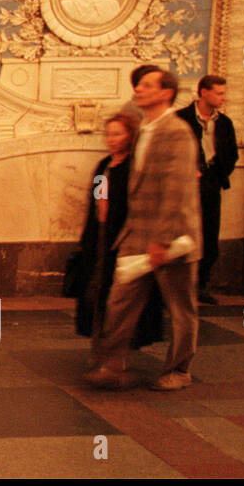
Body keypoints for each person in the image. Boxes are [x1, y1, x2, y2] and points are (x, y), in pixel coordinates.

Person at [86, 69, 202, 391]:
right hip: (136, 236)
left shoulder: (176, 131)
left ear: (166, 93)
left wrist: (161, 240)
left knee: (182, 310)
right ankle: (111, 365)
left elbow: (176, 187)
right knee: (119, 301)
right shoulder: (145, 131)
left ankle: (179, 370)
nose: (139, 89)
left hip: (173, 238)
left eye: (147, 85)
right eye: (138, 85)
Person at [63, 111, 163, 367]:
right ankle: (99, 348)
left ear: (131, 135)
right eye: (109, 134)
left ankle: (116, 355)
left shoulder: (134, 168)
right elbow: (95, 203)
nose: (112, 139)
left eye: (118, 134)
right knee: (95, 296)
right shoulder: (104, 166)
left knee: (119, 300)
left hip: (123, 240)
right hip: (99, 239)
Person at [175, 75, 238, 304]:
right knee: (184, 232)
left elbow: (231, 153)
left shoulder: (224, 123)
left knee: (209, 234)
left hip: (211, 181)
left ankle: (201, 285)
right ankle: (179, 285)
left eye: (223, 93)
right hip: (186, 183)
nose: (223, 97)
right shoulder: (181, 118)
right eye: (219, 93)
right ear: (203, 92)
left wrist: (218, 174)